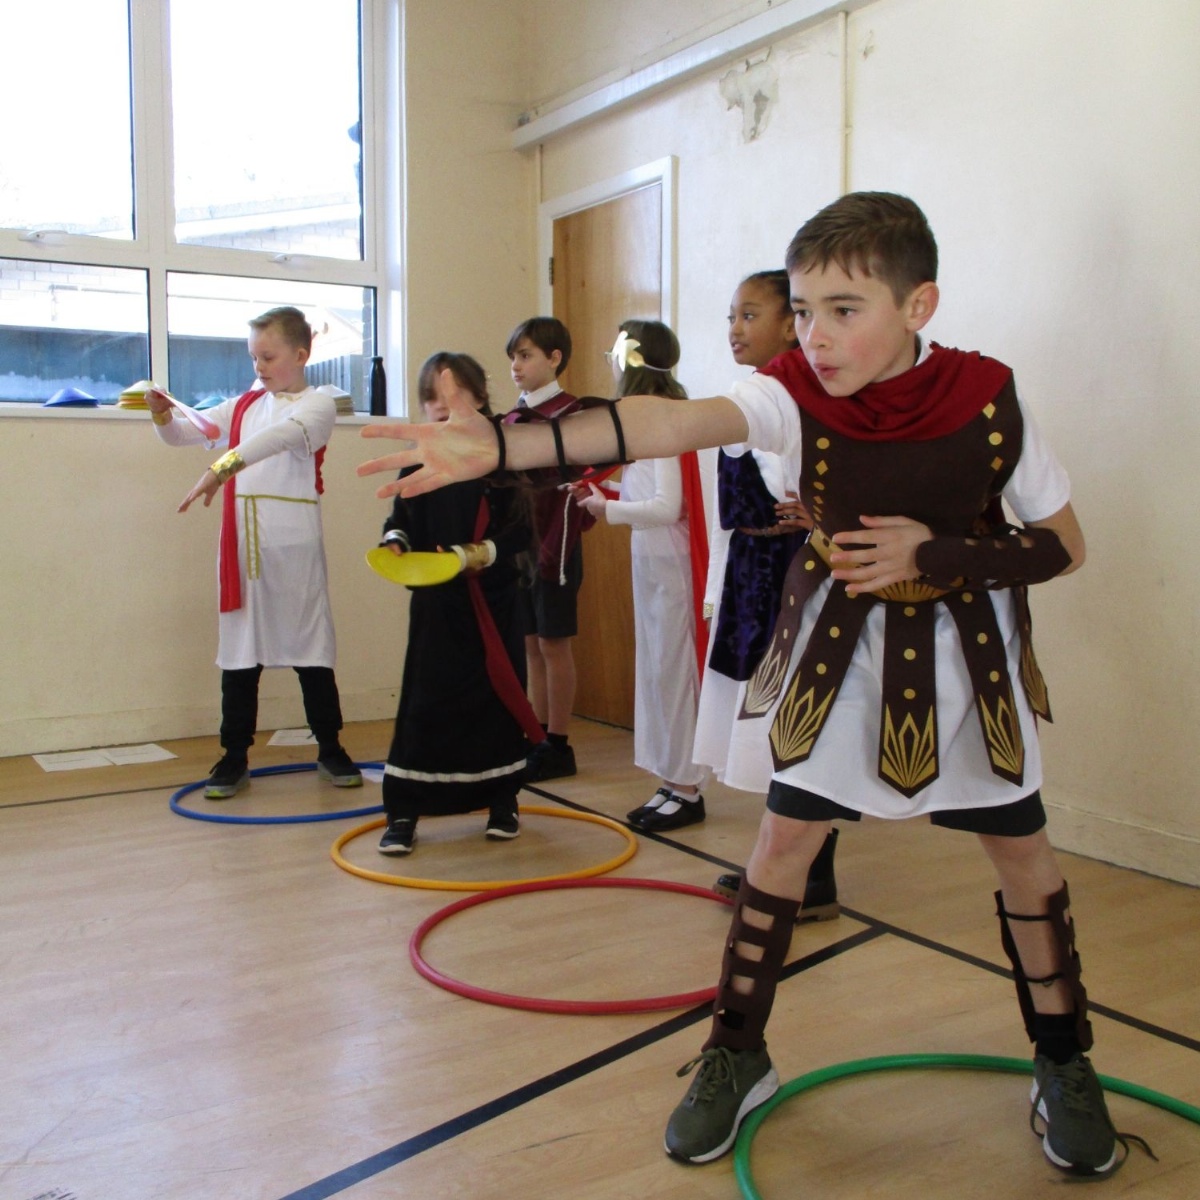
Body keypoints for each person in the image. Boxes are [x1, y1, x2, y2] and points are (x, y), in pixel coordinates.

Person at [358, 192, 1149, 1180]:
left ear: (920, 304)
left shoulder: (992, 399)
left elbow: (1065, 548)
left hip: (966, 669)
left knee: (1026, 864)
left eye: (845, 309)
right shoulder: (792, 391)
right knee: (779, 849)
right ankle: (738, 1051)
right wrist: (508, 446)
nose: (816, 334)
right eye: (806, 308)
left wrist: (939, 549)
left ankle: (1065, 1062)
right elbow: (668, 419)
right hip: (839, 660)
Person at [147, 305, 361, 798]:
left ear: (302, 354)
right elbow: (186, 432)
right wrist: (162, 413)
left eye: (268, 356)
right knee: (241, 654)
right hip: (243, 548)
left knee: (312, 648)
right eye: (253, 358)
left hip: (295, 547)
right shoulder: (245, 403)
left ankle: (331, 748)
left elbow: (278, 438)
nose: (258, 367)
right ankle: (233, 757)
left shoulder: (319, 403)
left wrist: (221, 468)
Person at [698, 271, 840, 914]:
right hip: (751, 578)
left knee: (797, 720)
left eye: (750, 315)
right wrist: (715, 588)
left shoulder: (804, 399)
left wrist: (824, 517)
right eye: (731, 315)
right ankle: (791, 867)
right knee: (771, 725)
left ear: (791, 323)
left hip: (792, 577)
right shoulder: (746, 396)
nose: (735, 328)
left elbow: (812, 486)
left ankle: (807, 877)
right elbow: (727, 513)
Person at [375, 353, 537, 853]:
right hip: (436, 601)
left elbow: (522, 531)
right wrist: (396, 543)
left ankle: (502, 801)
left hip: (492, 599)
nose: (442, 410)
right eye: (432, 400)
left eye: (453, 398)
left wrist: (480, 553)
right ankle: (404, 812)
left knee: (496, 697)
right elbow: (400, 518)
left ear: (481, 399)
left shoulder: (503, 457)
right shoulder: (417, 456)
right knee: (425, 701)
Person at [574, 320, 708, 832]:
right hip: (651, 562)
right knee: (655, 670)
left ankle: (688, 787)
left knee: (673, 673)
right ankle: (672, 780)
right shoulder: (644, 420)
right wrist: (603, 498)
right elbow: (647, 499)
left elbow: (666, 506)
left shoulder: (662, 423)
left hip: (669, 565)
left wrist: (607, 510)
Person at [505, 316, 593, 782]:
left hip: (557, 542)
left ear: (554, 358)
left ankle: (559, 743)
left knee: (554, 642)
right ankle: (536, 734)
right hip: (522, 545)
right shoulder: (514, 416)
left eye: (525, 355)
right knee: (529, 642)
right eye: (513, 357)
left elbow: (581, 479)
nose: (516, 366)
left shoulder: (572, 413)